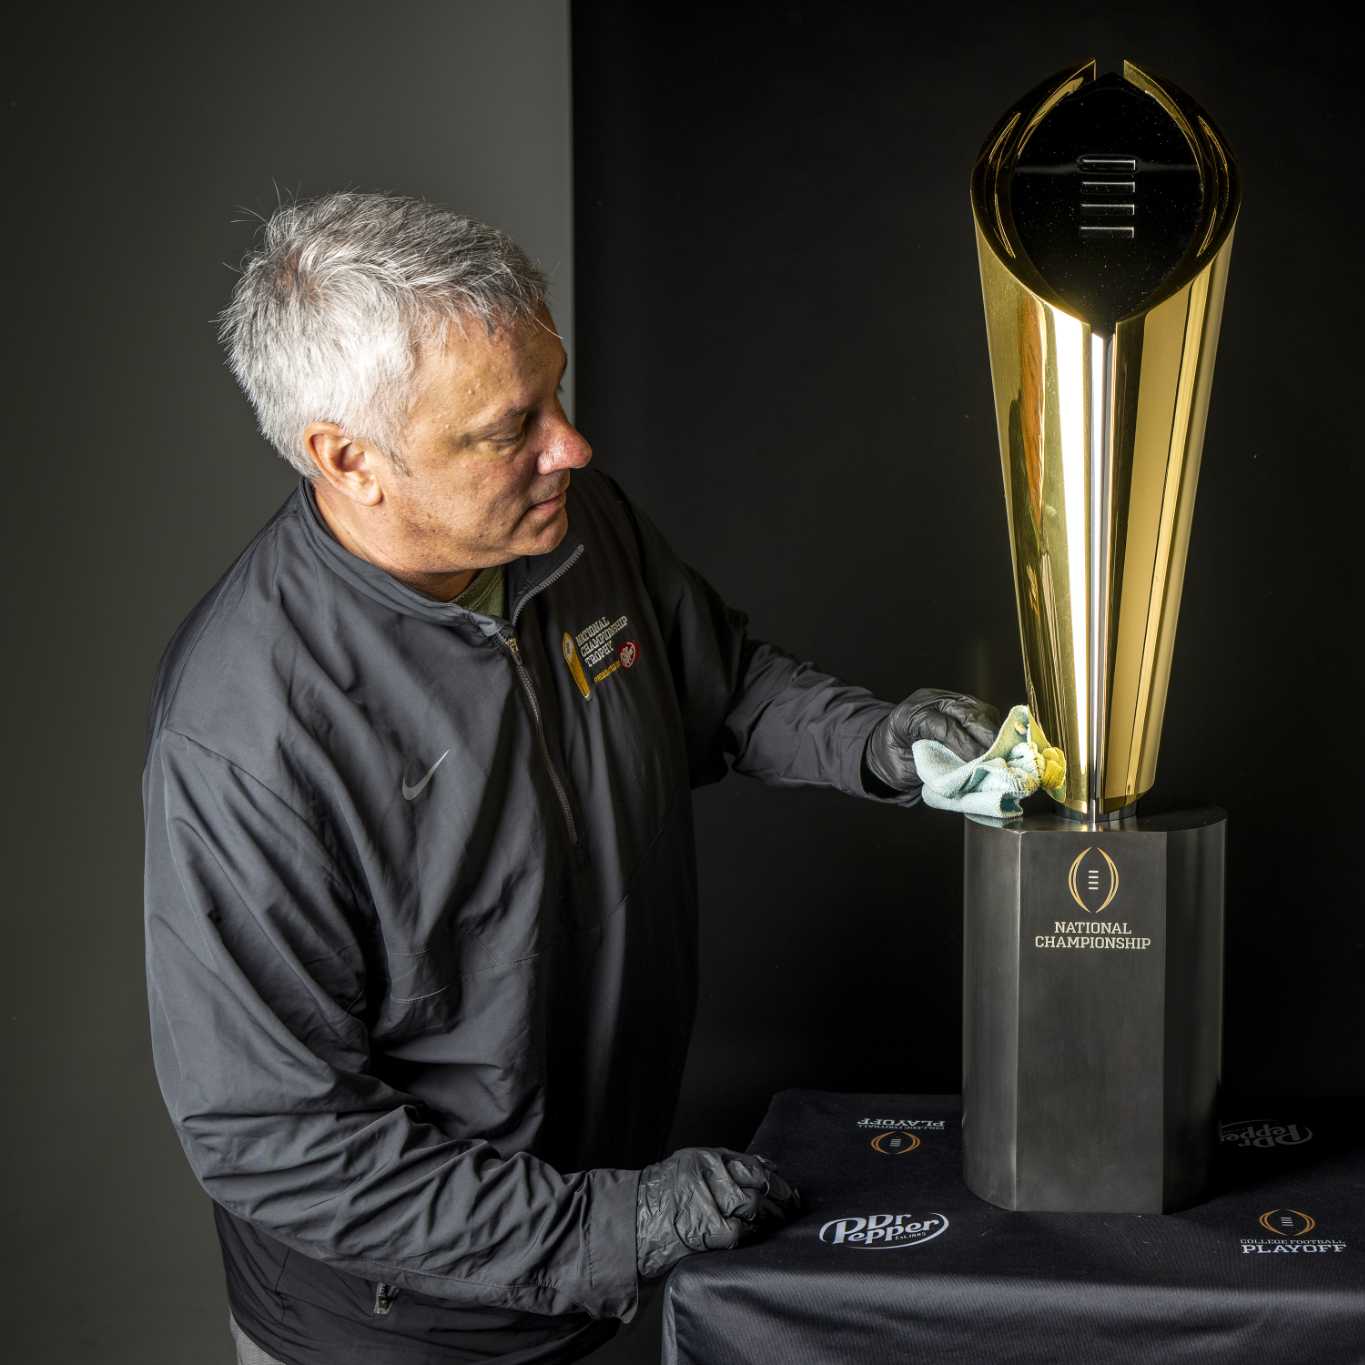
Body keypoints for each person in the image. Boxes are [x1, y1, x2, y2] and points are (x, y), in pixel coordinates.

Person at [141, 190, 1001, 1365]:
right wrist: (612, 1223)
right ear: (350, 460)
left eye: (556, 391)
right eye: (509, 428)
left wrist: (877, 740)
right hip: (392, 1333)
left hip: (596, 1274)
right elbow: (274, 1139)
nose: (572, 446)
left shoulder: (570, 524)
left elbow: (726, 687)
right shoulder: (247, 734)